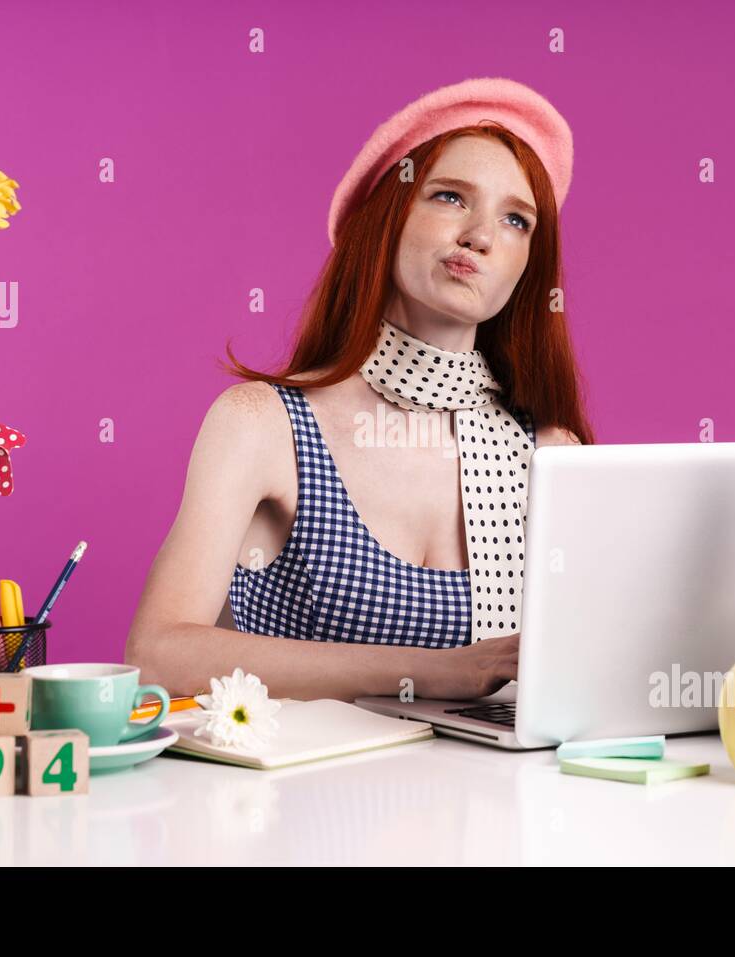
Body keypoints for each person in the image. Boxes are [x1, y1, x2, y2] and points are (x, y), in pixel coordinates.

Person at [126, 78, 594, 702]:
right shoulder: (263, 423)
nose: (481, 235)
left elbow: (597, 663)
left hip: (502, 797)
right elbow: (157, 653)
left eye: (516, 220)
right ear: (387, 218)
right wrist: (439, 670)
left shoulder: (552, 455)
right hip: (296, 796)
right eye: (450, 197)